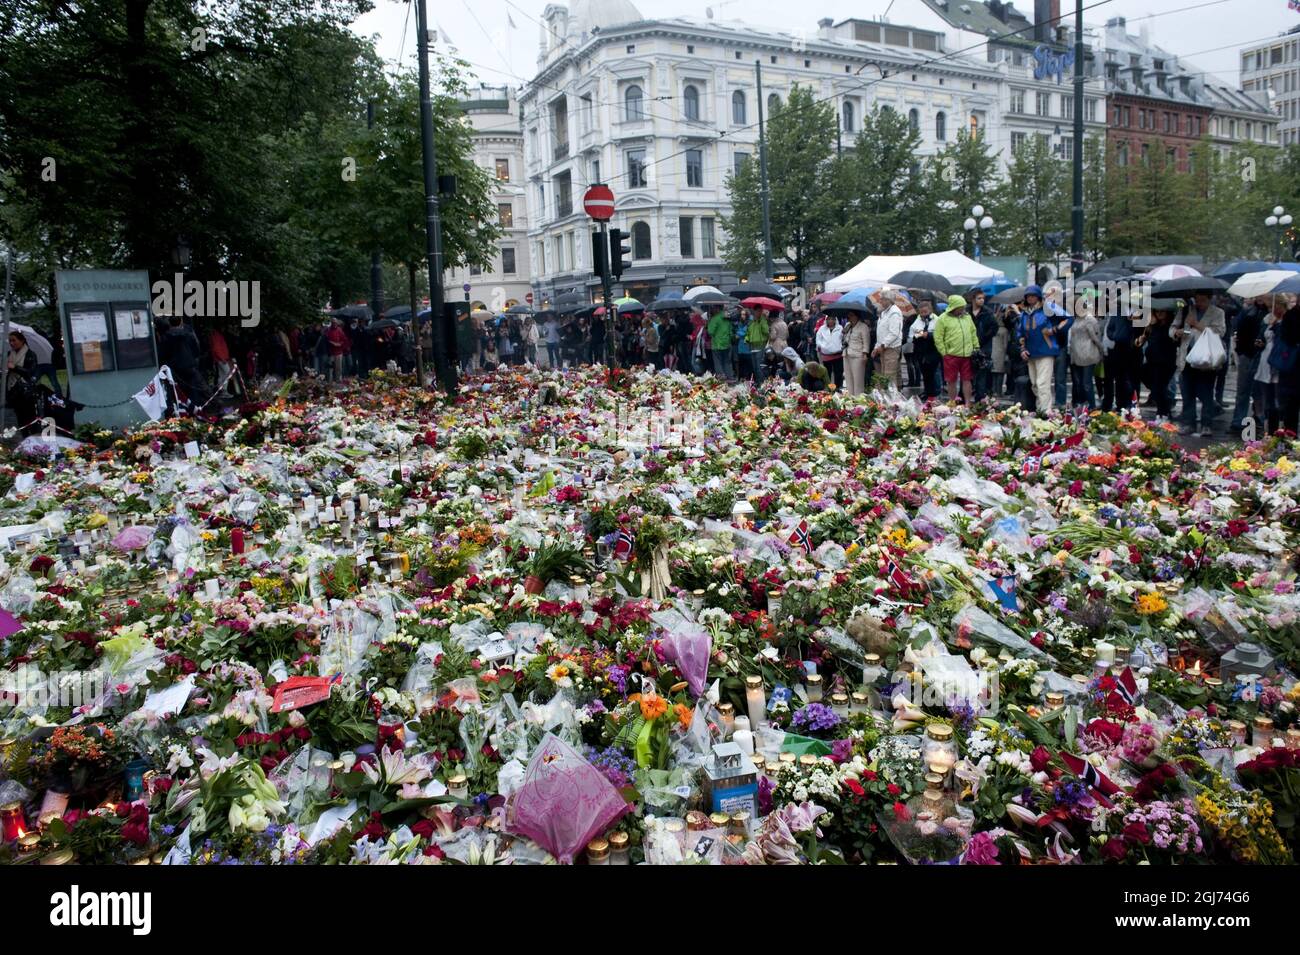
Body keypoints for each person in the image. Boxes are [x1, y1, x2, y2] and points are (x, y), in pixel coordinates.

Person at [1172, 291, 1226, 437]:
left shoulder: (1218, 312)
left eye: (1202, 300)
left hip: (1206, 359)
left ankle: (1206, 424)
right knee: (1187, 392)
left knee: (1206, 392)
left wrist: (1196, 324)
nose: (1199, 303)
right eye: (1197, 300)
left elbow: (1219, 332)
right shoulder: (1186, 311)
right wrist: (1177, 332)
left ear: (1209, 299)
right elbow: (1172, 328)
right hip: (1187, 358)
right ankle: (1188, 422)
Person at [1016, 286, 1063, 414]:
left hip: (1046, 351)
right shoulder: (1024, 313)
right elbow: (1020, 333)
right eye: (1028, 296)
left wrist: (1054, 330)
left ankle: (1046, 412)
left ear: (1038, 296)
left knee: (1042, 383)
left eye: (1033, 295)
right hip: (1031, 352)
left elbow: (1068, 318)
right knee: (1035, 385)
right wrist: (1022, 349)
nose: (1030, 298)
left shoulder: (1048, 308)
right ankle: (1040, 409)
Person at [1254, 295, 1292, 434]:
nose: (1272, 310)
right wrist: (1259, 341)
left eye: (1274, 306)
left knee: (1279, 399)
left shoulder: (1287, 319)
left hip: (1280, 360)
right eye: (1269, 307)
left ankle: (1281, 429)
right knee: (1267, 398)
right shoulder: (1266, 319)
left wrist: (1276, 326)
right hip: (1265, 359)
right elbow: (1261, 336)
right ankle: (1269, 429)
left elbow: (1287, 337)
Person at [1230, 295, 1267, 434]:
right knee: (1243, 390)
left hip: (1261, 356)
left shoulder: (1269, 313)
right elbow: (1239, 329)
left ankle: (1259, 419)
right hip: (1247, 354)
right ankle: (1238, 420)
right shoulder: (1248, 312)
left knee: (1259, 391)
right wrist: (1240, 351)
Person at [934, 295, 978, 405]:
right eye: (961, 307)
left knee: (967, 380)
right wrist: (944, 352)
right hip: (951, 355)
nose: (963, 309)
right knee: (951, 381)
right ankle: (952, 403)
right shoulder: (943, 318)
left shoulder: (967, 317)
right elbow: (938, 337)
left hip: (967, 355)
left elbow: (973, 332)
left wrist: (976, 347)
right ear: (954, 307)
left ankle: (967, 403)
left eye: (964, 307)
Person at [1137, 304, 1178, 423]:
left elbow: (1171, 339)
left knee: (1159, 387)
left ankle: (1162, 413)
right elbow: (1143, 340)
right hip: (1152, 361)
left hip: (1165, 362)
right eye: (1157, 311)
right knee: (1155, 386)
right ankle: (1164, 410)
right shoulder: (1152, 326)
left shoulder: (1170, 326)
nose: (1159, 313)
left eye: (1162, 311)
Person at [1068, 295, 1102, 410]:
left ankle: (1092, 406)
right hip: (1076, 355)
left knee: (1086, 383)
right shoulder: (1076, 319)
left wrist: (1102, 353)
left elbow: (1096, 338)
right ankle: (1082, 405)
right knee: (1078, 383)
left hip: (1088, 354)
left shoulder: (1090, 319)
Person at [908, 300, 940, 399]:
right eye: (921, 312)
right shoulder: (917, 321)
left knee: (932, 373)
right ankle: (927, 392)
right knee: (925, 374)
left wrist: (929, 335)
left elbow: (940, 334)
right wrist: (920, 334)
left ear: (930, 310)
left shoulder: (936, 320)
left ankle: (933, 394)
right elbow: (910, 336)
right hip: (920, 351)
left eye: (925, 312)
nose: (923, 314)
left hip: (933, 350)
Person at [5, 331, 39, 427]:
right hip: (13, 390)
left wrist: (15, 367)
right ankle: (25, 438)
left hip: (26, 391)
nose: (11, 343)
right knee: (20, 419)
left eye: (14, 340)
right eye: (10, 341)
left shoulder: (30, 354)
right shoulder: (8, 354)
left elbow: (31, 372)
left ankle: (33, 438)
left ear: (22, 341)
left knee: (30, 418)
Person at [873, 291, 904, 390]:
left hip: (891, 348)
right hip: (883, 348)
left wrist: (882, 345)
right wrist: (876, 348)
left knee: (889, 376)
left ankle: (892, 400)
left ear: (888, 300)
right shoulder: (884, 312)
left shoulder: (894, 312)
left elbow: (894, 333)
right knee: (884, 376)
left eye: (882, 299)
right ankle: (886, 398)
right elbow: (880, 333)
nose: (880, 301)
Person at [972, 291, 998, 402]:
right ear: (973, 299)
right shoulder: (967, 312)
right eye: (979, 298)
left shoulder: (988, 313)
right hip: (970, 346)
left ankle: (980, 399)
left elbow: (994, 328)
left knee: (982, 374)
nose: (982, 300)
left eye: (983, 298)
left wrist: (983, 339)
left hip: (984, 347)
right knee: (969, 374)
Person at [842, 309, 871, 396]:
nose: (849, 317)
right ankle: (850, 397)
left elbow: (866, 341)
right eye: (848, 316)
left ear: (856, 316)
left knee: (858, 379)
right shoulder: (848, 325)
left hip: (858, 355)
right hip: (846, 353)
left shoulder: (863, 326)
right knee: (848, 378)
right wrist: (845, 331)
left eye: (851, 315)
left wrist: (865, 354)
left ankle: (858, 398)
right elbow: (844, 339)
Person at [815, 311, 845, 389]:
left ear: (835, 320)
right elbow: (818, 339)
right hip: (826, 355)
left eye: (832, 319)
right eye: (829, 319)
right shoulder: (822, 329)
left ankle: (837, 388)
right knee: (827, 373)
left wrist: (840, 346)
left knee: (838, 373)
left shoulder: (840, 328)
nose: (831, 321)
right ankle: (828, 388)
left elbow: (843, 339)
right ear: (826, 320)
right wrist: (822, 346)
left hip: (837, 354)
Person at [745, 307, 771, 386]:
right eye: (755, 311)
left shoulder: (763, 321)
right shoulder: (752, 322)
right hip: (752, 347)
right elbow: (748, 332)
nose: (756, 313)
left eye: (759, 311)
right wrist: (746, 339)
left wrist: (762, 320)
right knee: (755, 367)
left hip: (760, 346)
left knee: (759, 367)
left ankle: (762, 383)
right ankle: (758, 382)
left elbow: (766, 332)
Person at [706, 305, 732, 381]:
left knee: (718, 362)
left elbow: (710, 332)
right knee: (727, 362)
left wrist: (709, 323)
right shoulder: (727, 318)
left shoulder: (715, 318)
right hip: (726, 343)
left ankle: (721, 378)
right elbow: (731, 330)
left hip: (717, 344)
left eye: (713, 308)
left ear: (717, 308)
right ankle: (729, 377)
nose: (712, 310)